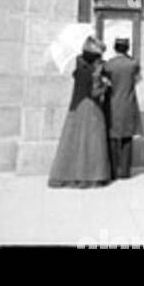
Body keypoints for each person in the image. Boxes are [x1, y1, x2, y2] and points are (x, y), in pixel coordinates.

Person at [48, 37, 112, 188]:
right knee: (92, 142)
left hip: (76, 107)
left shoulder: (79, 65)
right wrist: (106, 85)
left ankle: (68, 174)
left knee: (73, 141)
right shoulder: (95, 70)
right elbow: (95, 92)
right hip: (91, 108)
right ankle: (91, 176)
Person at [103, 38, 141, 179]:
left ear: (115, 48)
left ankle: (113, 171)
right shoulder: (133, 64)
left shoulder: (109, 65)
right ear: (127, 48)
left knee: (113, 138)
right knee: (127, 138)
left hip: (113, 103)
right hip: (128, 103)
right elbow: (137, 80)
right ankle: (125, 172)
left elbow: (106, 82)